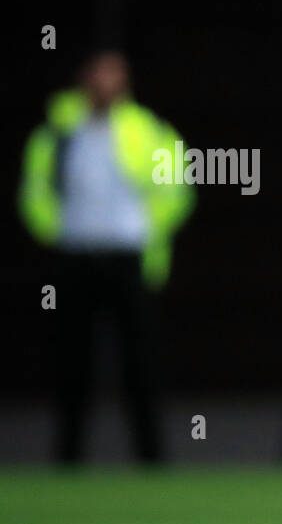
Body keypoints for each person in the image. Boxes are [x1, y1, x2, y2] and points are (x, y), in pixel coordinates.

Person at [18, 50, 195, 463]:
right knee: (72, 363)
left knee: (140, 363)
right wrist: (57, 232)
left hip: (128, 258)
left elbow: (177, 189)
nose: (104, 86)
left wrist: (145, 229)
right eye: (98, 76)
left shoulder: (148, 131)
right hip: (77, 257)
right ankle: (68, 462)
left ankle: (152, 461)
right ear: (83, 80)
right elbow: (35, 191)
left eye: (112, 77)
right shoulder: (57, 134)